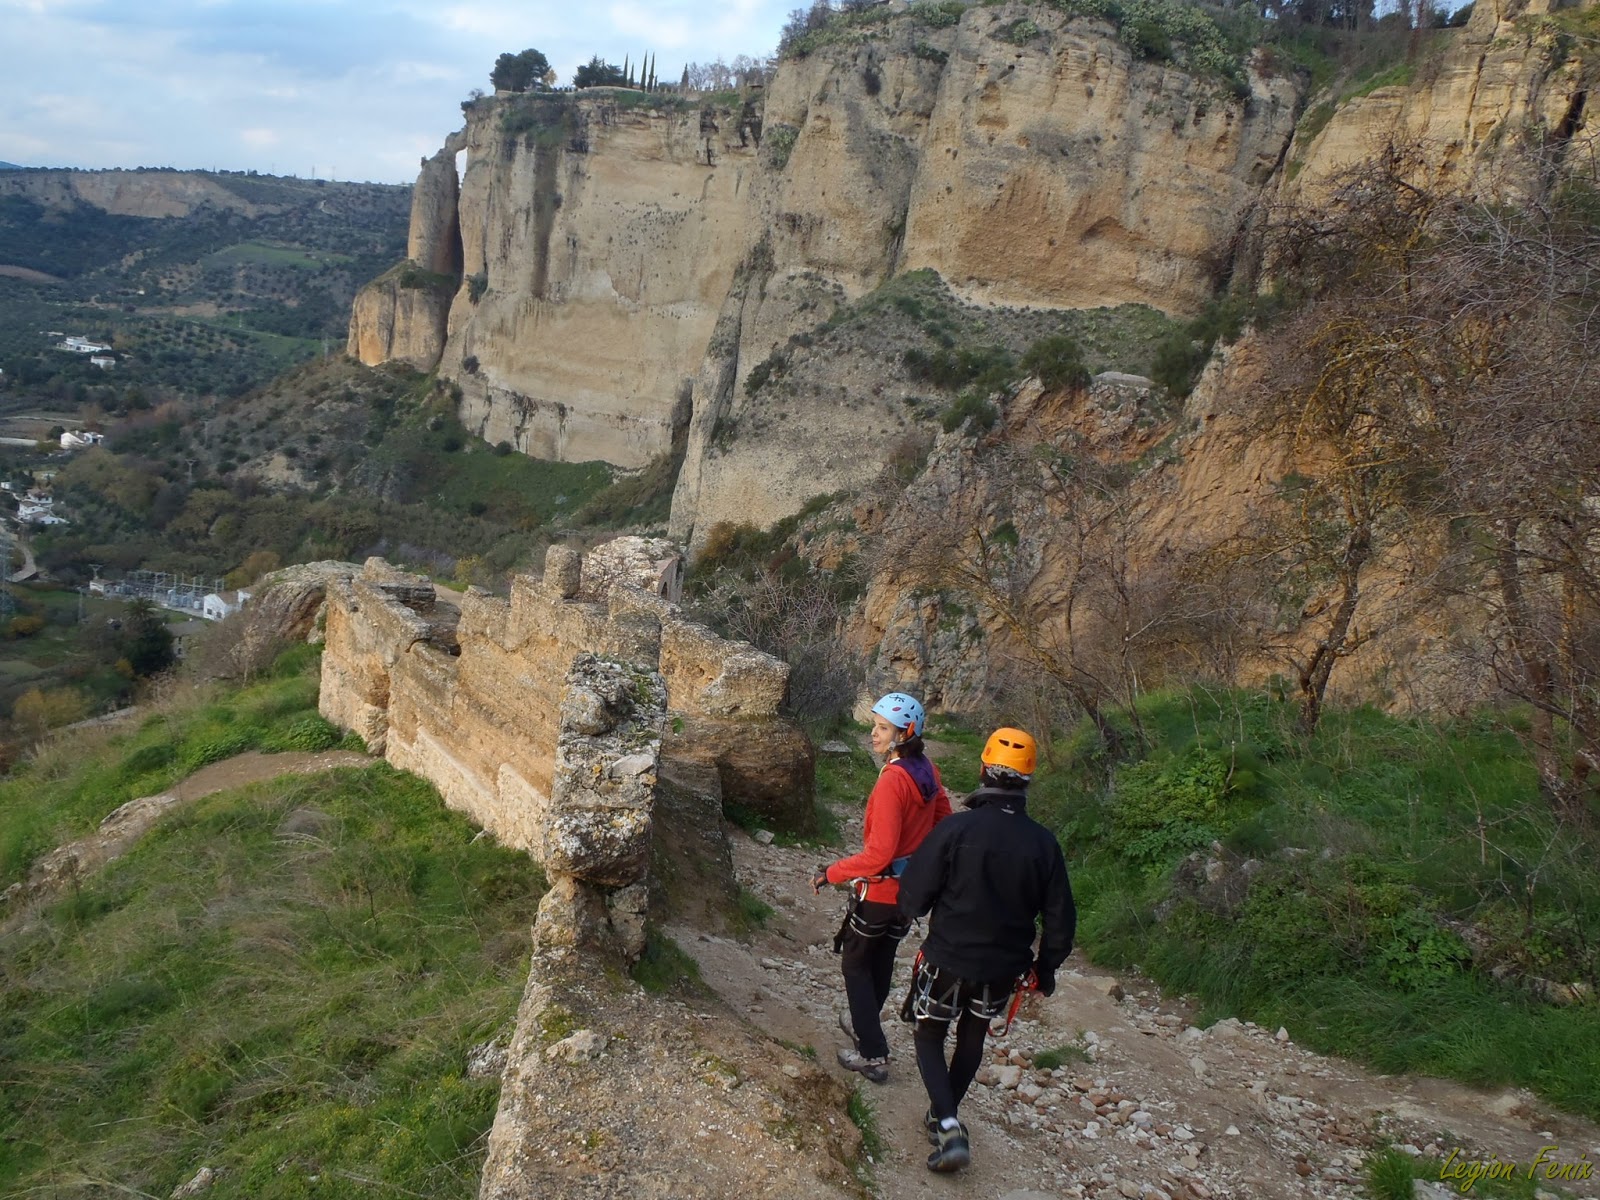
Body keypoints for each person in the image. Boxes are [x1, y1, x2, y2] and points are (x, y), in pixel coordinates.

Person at [896, 726, 1076, 1173]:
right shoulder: (1044, 845)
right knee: (972, 1036)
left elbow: (915, 896)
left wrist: (912, 908)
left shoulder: (958, 828)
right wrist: (1045, 970)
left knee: (929, 1034)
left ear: (982, 768)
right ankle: (944, 1113)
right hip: (1003, 967)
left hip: (948, 956)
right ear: (1029, 778)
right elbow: (1060, 921)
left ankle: (949, 1124)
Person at [811, 691, 950, 1085]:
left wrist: (832, 872)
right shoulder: (926, 770)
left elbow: (877, 855)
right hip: (909, 892)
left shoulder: (894, 781)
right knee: (882, 958)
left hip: (881, 892)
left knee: (855, 963)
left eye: (882, 728)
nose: (873, 734)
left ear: (904, 732)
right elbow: (943, 820)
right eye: (874, 725)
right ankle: (864, 1022)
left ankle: (872, 1052)